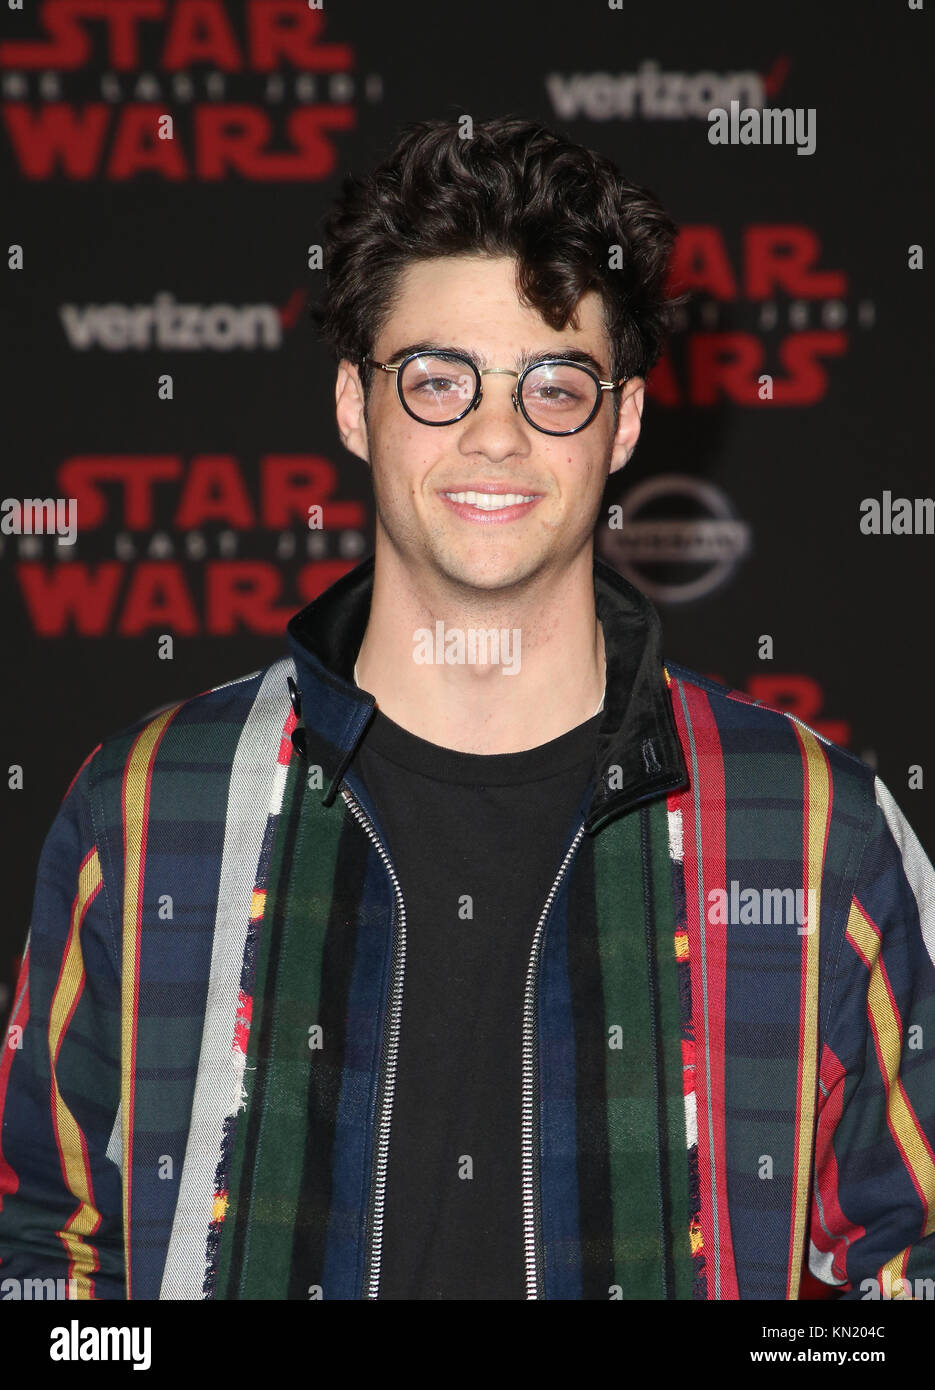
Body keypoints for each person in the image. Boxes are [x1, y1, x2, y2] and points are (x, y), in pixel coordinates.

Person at [1, 115, 933, 1302]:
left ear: (624, 422)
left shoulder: (813, 827)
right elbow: (35, 1251)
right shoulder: (145, 807)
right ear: (355, 405)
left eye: (554, 385)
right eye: (437, 380)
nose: (494, 434)